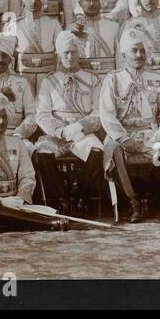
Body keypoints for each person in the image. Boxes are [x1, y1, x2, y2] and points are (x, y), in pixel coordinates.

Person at [99, 26, 160, 221]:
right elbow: (107, 115)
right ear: (124, 55)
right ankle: (133, 201)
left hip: (149, 133)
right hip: (120, 134)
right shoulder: (113, 80)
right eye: (134, 51)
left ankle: (153, 197)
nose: (139, 55)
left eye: (142, 50)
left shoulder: (156, 78)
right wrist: (124, 138)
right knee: (114, 151)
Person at [0, 89, 67, 233]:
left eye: (4, 116)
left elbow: (27, 176)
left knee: (46, 211)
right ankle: (48, 224)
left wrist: (21, 198)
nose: (1, 121)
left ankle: (43, 221)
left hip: (16, 203)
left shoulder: (17, 143)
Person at [34, 31, 108, 216]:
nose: (70, 56)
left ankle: (81, 198)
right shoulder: (49, 81)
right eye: (65, 52)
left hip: (82, 133)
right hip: (56, 134)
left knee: (96, 151)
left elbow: (99, 112)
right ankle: (63, 199)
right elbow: (42, 115)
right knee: (42, 152)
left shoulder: (93, 79)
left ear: (79, 53)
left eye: (74, 52)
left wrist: (80, 127)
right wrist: (60, 131)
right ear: (58, 54)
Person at [10, 0, 62, 94]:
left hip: (48, 75)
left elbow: (60, 52)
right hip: (23, 76)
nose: (34, 1)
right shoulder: (14, 25)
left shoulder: (53, 23)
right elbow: (9, 54)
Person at [69, 0, 119, 75]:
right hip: (82, 81)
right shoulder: (71, 28)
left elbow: (120, 61)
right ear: (80, 2)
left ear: (101, 1)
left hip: (108, 80)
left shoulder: (114, 27)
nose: (92, 3)